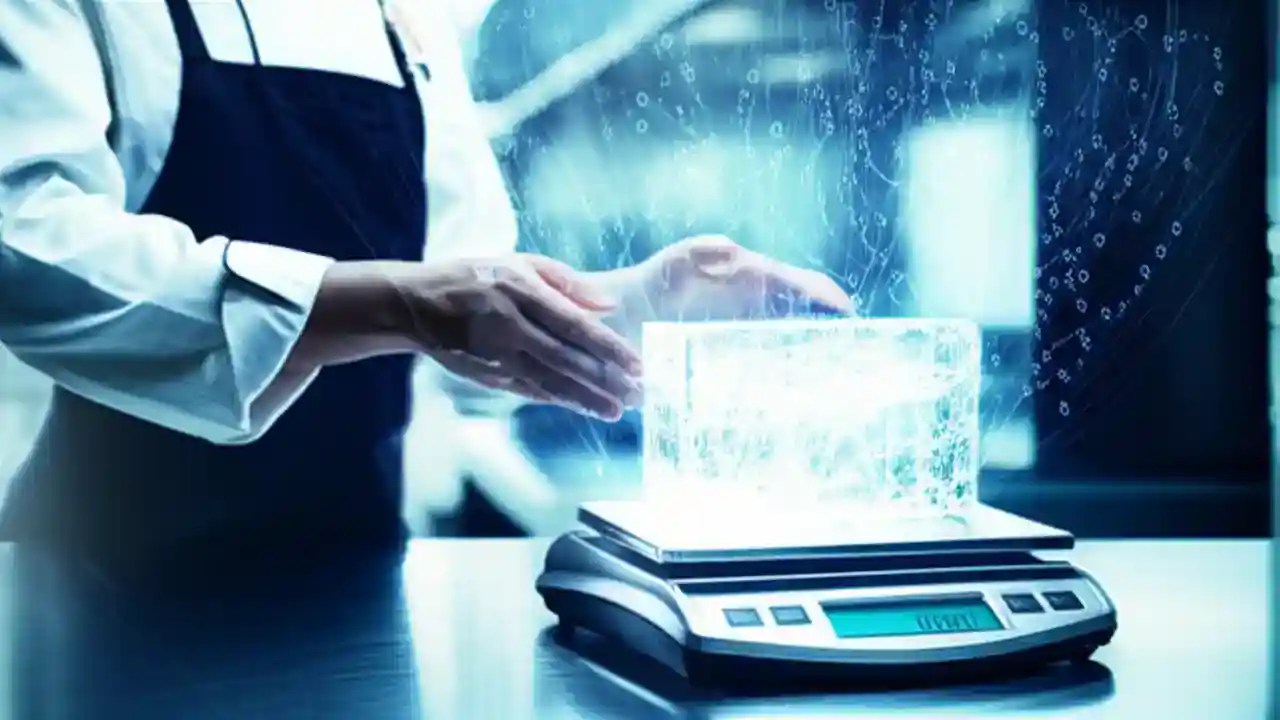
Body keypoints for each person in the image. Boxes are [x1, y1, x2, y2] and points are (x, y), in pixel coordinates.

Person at [0, 0, 850, 561]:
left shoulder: (399, 20)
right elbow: (24, 246)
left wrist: (641, 304)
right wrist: (400, 303)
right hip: (97, 568)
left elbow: (470, 312)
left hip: (352, 563)